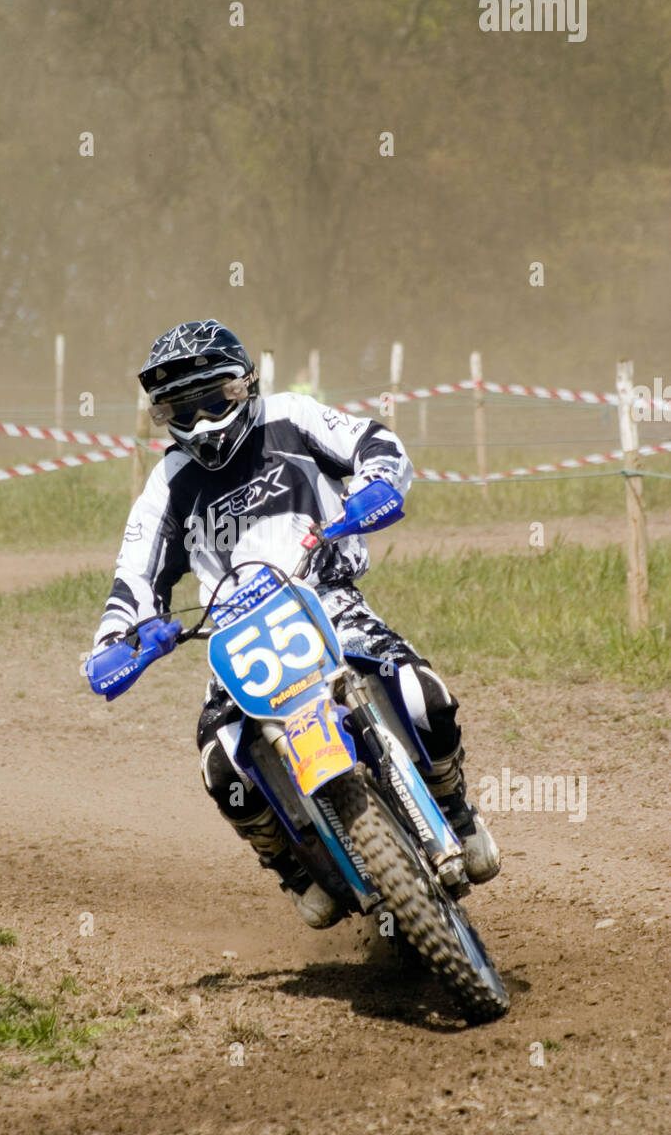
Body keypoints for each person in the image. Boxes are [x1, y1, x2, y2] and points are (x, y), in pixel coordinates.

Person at [87, 320, 500, 927]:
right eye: (182, 407)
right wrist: (121, 641)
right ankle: (294, 869)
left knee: (424, 697)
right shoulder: (165, 488)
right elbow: (131, 584)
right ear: (163, 413)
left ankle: (454, 807)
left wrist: (374, 487)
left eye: (213, 399)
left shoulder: (289, 417)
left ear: (245, 384)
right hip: (235, 637)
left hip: (326, 598)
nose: (201, 420)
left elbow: (373, 442)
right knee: (221, 766)